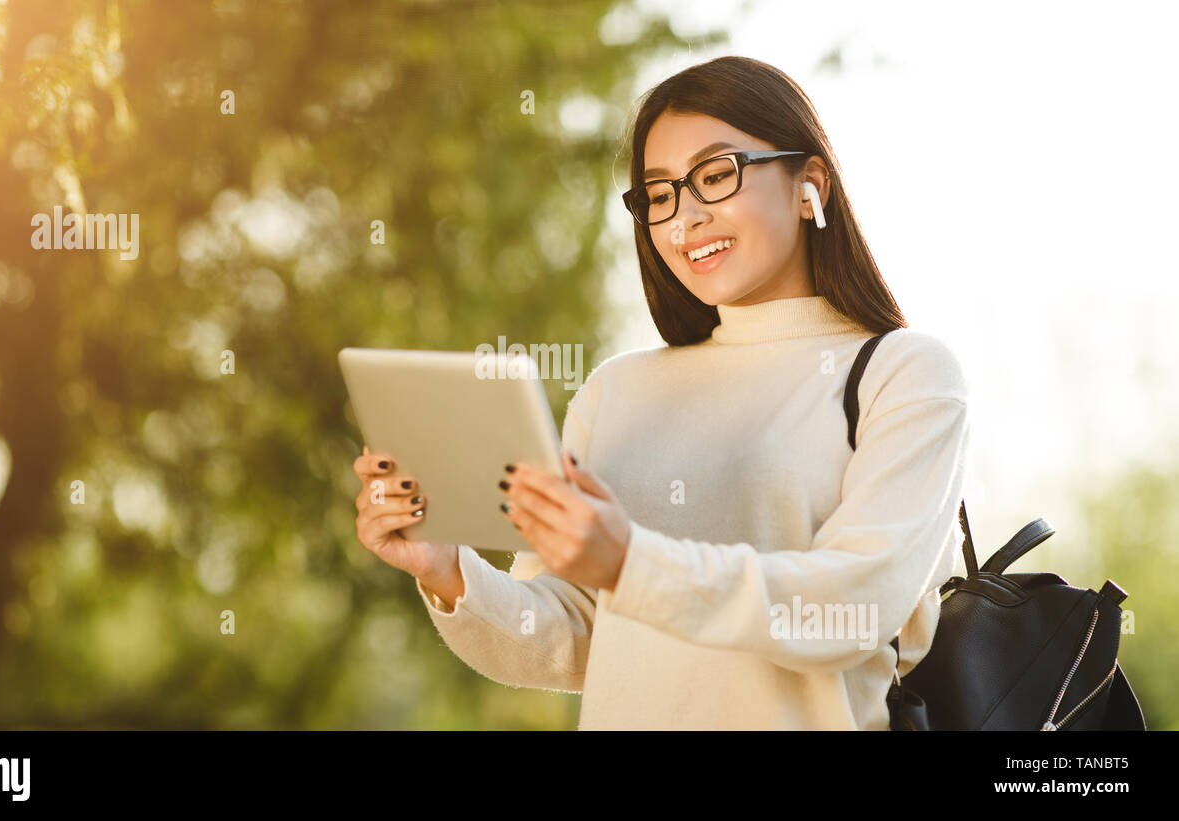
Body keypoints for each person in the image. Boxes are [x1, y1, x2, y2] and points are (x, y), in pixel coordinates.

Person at [352, 55, 970, 730]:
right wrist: (447, 569)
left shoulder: (903, 374)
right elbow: (569, 637)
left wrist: (629, 563)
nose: (686, 219)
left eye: (715, 175)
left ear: (809, 185)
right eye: (660, 194)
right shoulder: (616, 391)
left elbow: (850, 608)